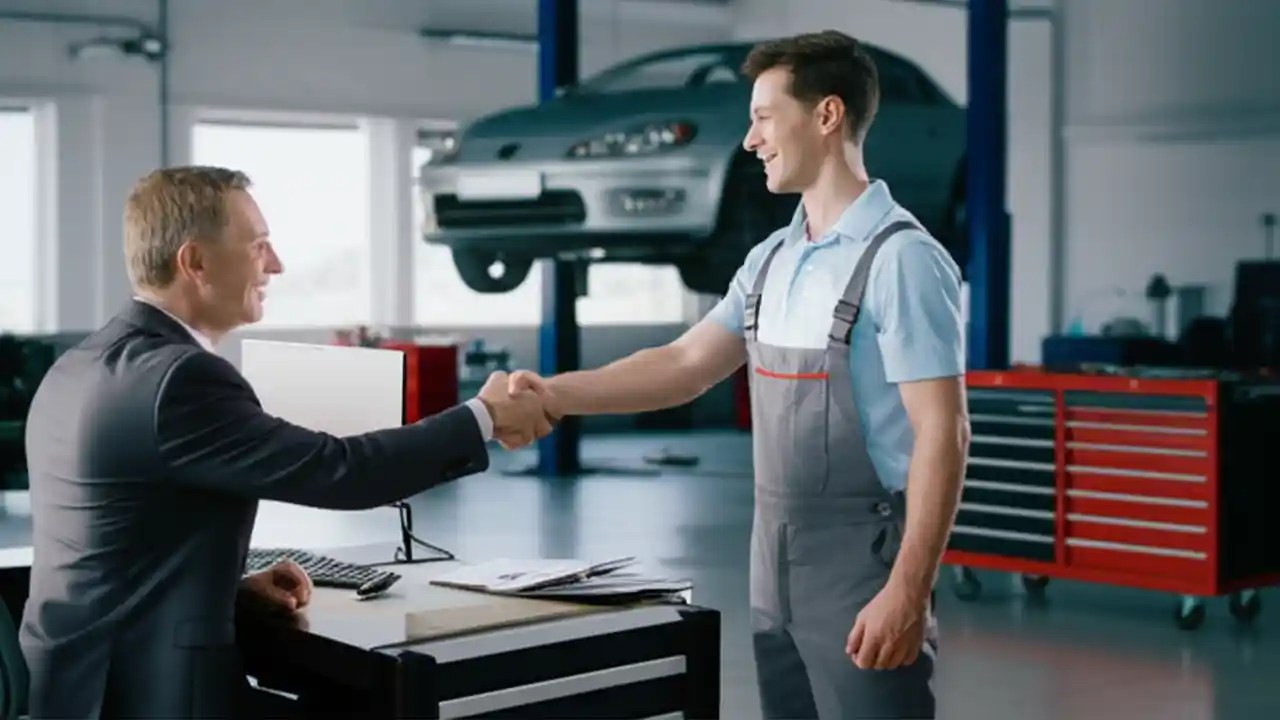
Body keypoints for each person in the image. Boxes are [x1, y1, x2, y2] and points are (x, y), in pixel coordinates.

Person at [510, 30, 969, 719]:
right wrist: (553, 394)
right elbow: (684, 365)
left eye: (762, 117)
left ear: (827, 115)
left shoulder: (902, 261)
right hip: (771, 559)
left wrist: (906, 592)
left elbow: (945, 432)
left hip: (862, 563)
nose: (750, 141)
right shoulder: (771, 260)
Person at [18, 166, 551, 719]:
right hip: (152, 695)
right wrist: (484, 417)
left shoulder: (83, 362)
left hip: (75, 685)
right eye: (258, 247)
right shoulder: (181, 379)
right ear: (195, 262)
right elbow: (343, 470)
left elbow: (116, 543)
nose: (276, 265)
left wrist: (228, 587)